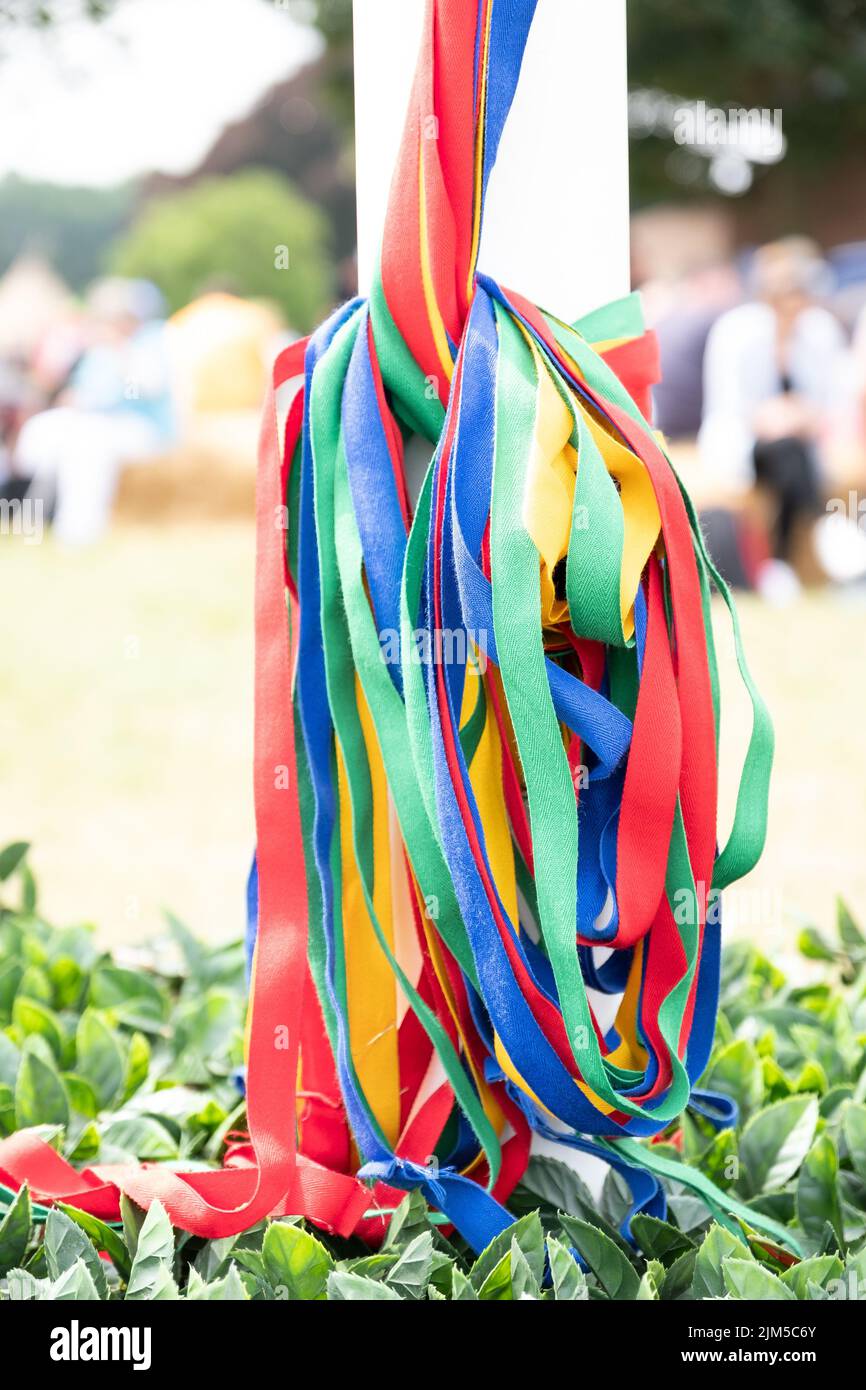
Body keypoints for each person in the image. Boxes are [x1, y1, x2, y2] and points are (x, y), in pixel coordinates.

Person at [698, 237, 865, 590]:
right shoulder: (736, 331)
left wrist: (804, 417)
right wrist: (769, 418)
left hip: (801, 444)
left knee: (791, 454)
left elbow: (836, 401)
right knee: (788, 451)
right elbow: (726, 405)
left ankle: (780, 568)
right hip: (745, 443)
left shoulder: (820, 330)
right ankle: (826, 531)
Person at [15, 279, 176, 545]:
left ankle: (79, 532)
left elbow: (151, 386)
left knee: (90, 443)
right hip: (94, 422)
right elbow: (85, 391)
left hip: (142, 427)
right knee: (46, 428)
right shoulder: (98, 351)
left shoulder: (154, 341)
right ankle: (32, 518)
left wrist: (122, 352)